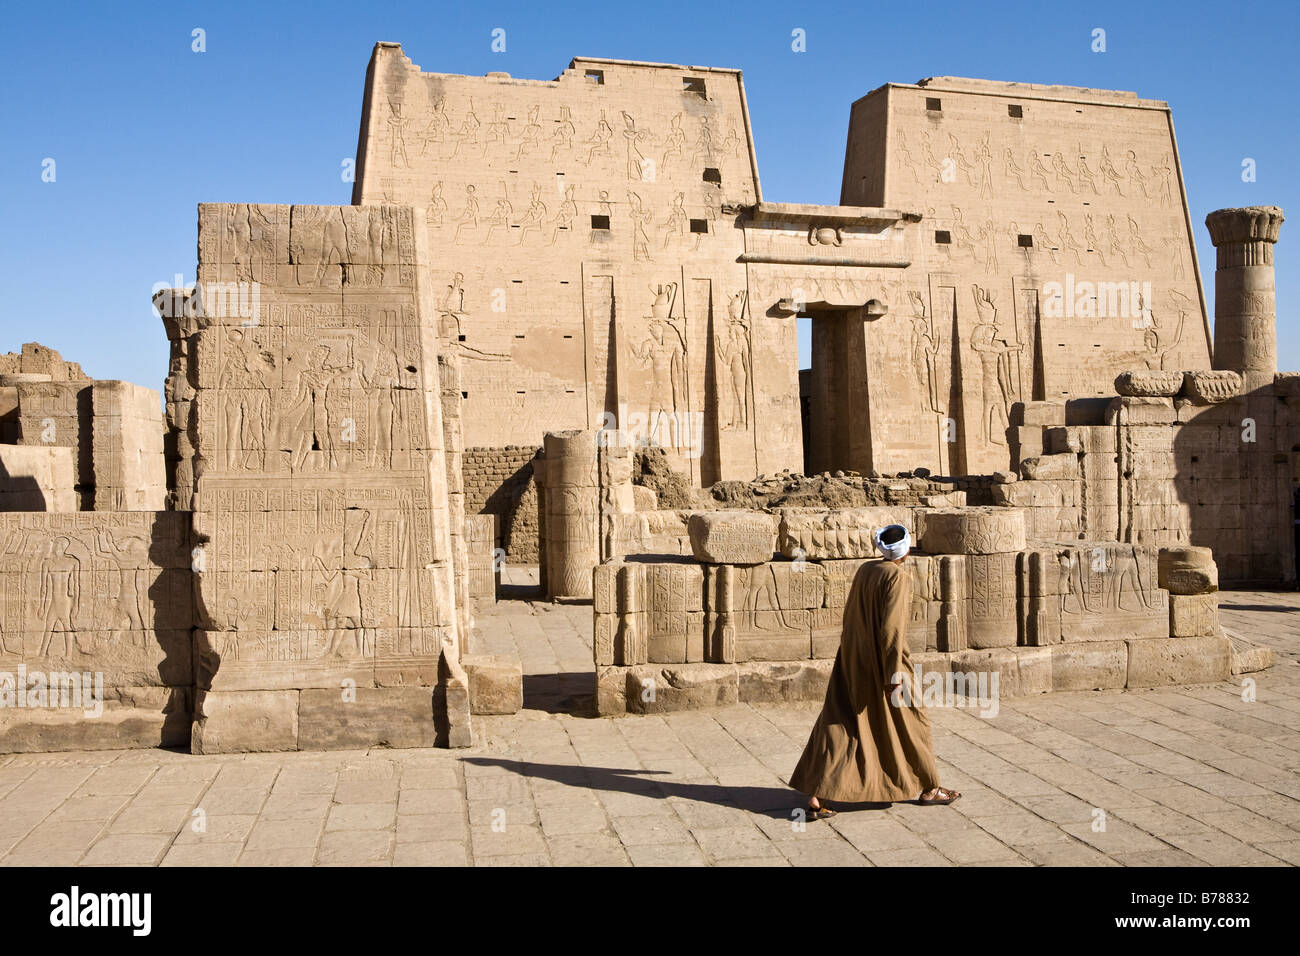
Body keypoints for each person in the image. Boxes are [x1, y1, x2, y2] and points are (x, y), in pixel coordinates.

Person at [790, 524, 959, 818]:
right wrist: (894, 674)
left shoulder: (867, 570)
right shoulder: (897, 576)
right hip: (884, 663)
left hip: (853, 658)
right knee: (914, 722)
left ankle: (817, 795)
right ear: (905, 550)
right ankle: (931, 788)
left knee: (842, 722)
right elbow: (892, 630)